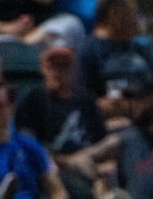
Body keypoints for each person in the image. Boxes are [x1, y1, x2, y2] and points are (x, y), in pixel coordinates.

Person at [13, 45, 107, 174]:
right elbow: (28, 145)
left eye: (64, 67)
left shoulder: (86, 99)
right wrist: (67, 161)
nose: (58, 72)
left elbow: (99, 139)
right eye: (52, 66)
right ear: (43, 68)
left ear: (74, 70)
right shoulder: (34, 98)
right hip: (53, 168)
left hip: (89, 160)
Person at [79, 0, 153, 115]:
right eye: (134, 13)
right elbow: (83, 98)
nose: (138, 20)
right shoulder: (88, 51)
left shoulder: (141, 48)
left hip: (150, 117)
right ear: (114, 14)